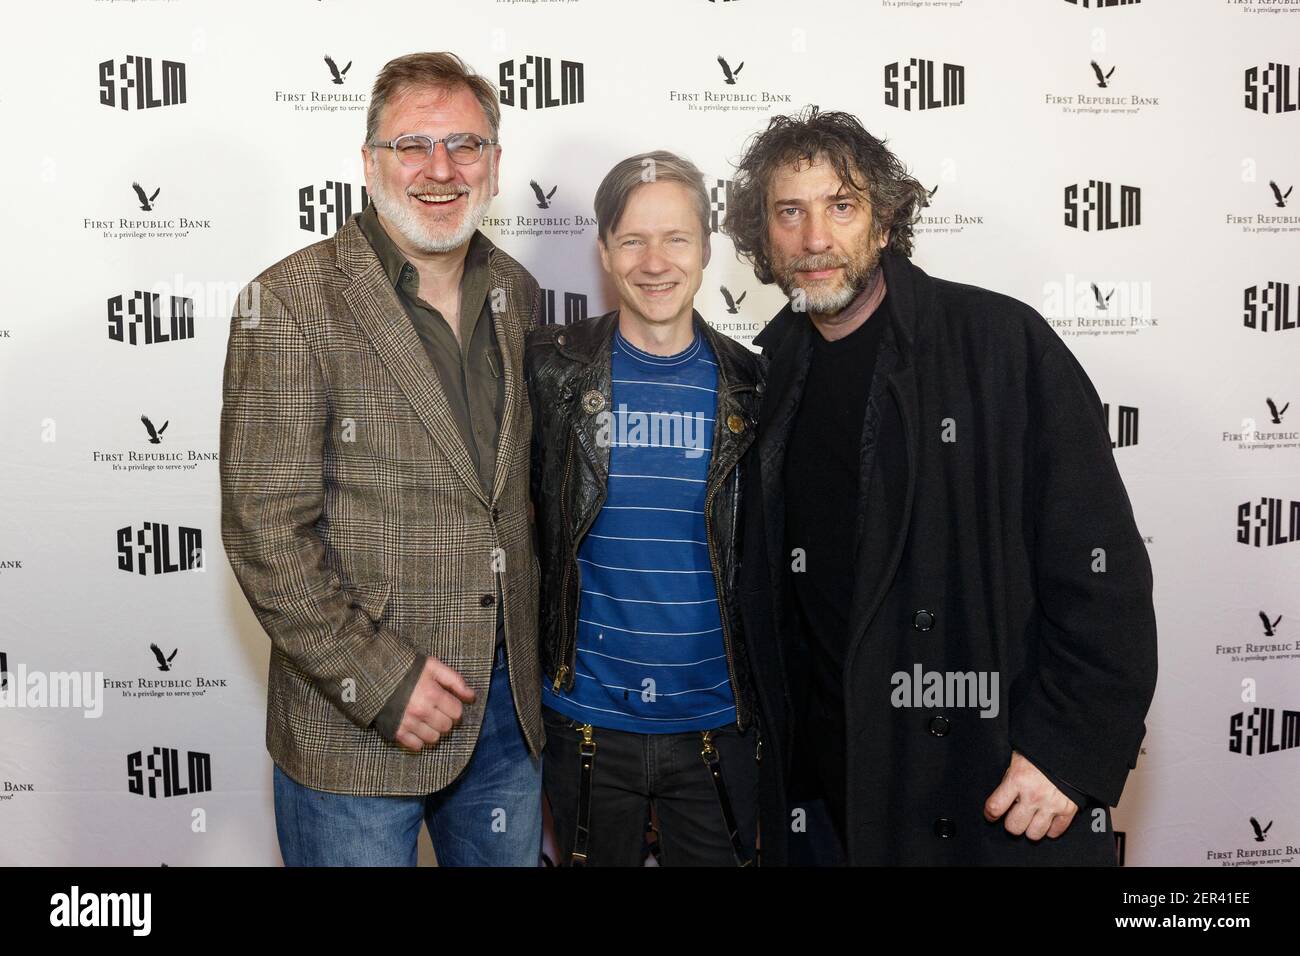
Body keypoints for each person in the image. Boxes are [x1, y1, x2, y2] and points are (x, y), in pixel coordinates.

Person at [725, 106, 1157, 865]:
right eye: (790, 212)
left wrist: (1068, 751)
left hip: (981, 794)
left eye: (842, 206)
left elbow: (1102, 572)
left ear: (886, 223)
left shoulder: (999, 345)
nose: (816, 238)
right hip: (827, 806)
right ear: (763, 239)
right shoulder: (770, 371)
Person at [220, 52, 544, 867]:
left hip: (508, 720)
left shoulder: (518, 292)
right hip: (354, 727)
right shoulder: (291, 303)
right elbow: (267, 534)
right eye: (413, 145)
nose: (441, 170)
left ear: (496, 166)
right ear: (369, 165)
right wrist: (383, 681)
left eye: (465, 144)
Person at [526, 151, 766, 866]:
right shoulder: (549, 371)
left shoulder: (757, 387)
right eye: (632, 240)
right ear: (603, 250)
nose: (655, 261)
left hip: (719, 727)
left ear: (707, 250)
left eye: (676, 239)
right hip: (585, 727)